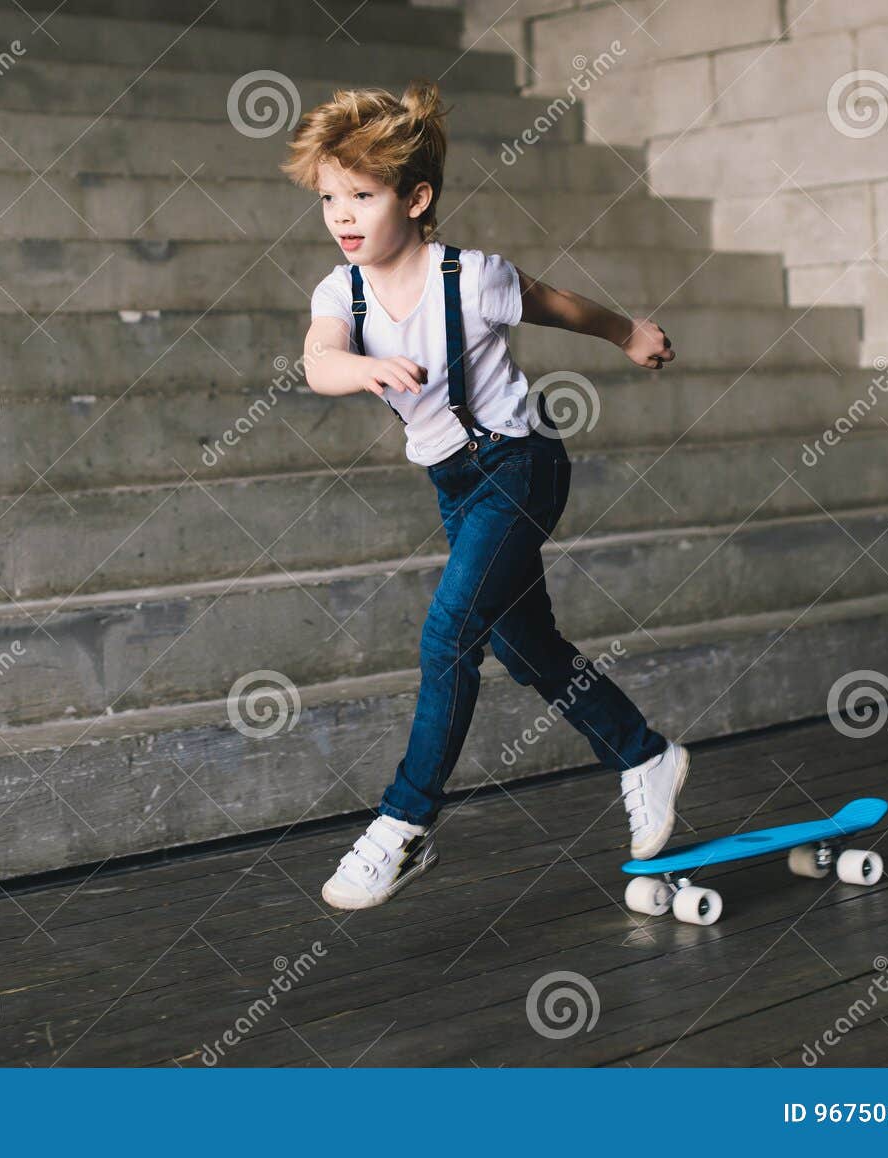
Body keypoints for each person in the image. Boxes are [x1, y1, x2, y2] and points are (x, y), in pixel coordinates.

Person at [282, 80, 687, 911]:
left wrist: (628, 332)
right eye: (330, 198)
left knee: (448, 638)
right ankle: (645, 755)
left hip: (519, 466)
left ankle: (405, 823)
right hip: (456, 488)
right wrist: (360, 368)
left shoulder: (471, 279)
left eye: (362, 195)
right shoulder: (341, 294)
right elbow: (319, 360)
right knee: (527, 648)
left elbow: (554, 303)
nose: (343, 216)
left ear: (417, 197)